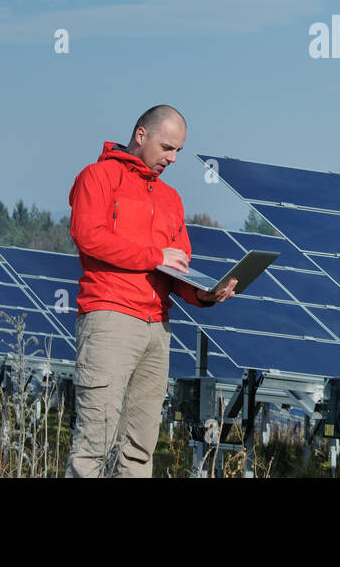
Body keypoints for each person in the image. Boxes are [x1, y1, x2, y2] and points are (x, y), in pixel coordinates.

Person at [64, 104, 236, 478]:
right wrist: (155, 255)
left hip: (158, 327)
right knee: (95, 441)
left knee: (140, 448)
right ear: (141, 135)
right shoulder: (98, 177)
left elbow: (177, 270)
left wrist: (204, 294)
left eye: (178, 151)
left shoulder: (170, 198)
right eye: (167, 147)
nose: (172, 158)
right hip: (110, 317)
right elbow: (89, 237)